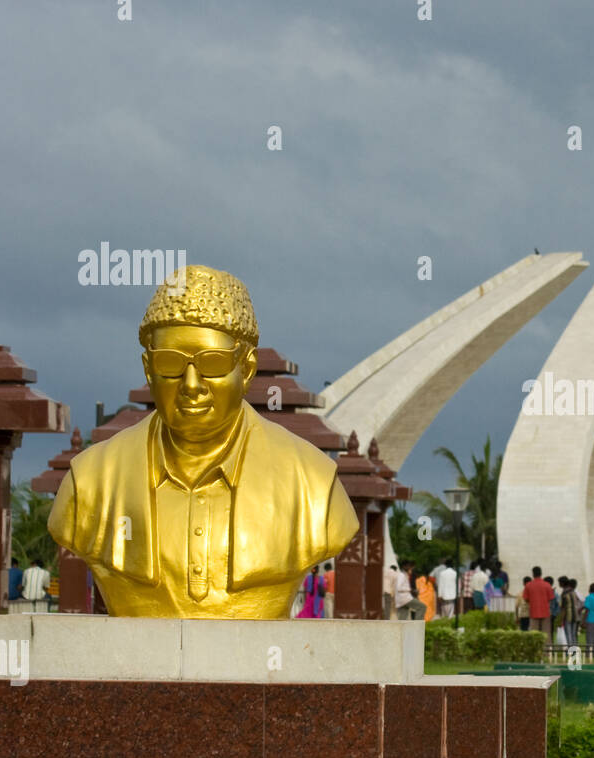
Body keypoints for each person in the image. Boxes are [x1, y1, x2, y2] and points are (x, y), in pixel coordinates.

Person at [46, 265, 359, 619]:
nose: (191, 384)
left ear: (248, 369)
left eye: (213, 363)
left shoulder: (311, 483)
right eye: (170, 363)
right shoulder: (91, 481)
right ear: (148, 369)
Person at [523, 567, 553, 638]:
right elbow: (550, 598)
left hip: (533, 612)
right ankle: (547, 648)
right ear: (541, 573)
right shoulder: (547, 585)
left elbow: (526, 599)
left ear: (533, 574)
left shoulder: (528, 585)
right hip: (545, 612)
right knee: (546, 634)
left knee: (534, 634)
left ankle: (535, 648)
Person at [581, 582, 594, 649]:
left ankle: (589, 652)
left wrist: (583, 620)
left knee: (589, 637)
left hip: (589, 619)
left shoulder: (589, 598)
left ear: (589, 589)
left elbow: (587, 609)